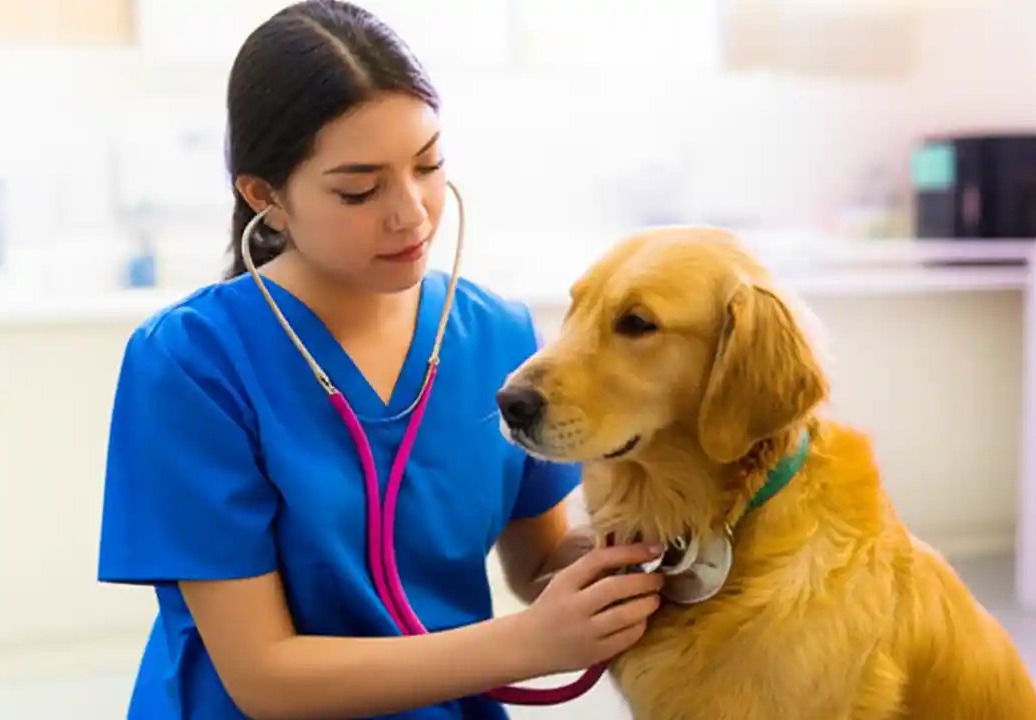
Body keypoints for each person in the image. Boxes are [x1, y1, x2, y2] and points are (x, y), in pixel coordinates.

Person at [96, 2, 665, 718]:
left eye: (428, 166)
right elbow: (264, 676)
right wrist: (529, 643)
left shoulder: (499, 337)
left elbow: (536, 562)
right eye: (359, 189)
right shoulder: (190, 364)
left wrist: (645, 553)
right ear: (264, 196)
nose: (413, 214)